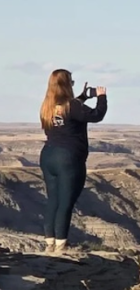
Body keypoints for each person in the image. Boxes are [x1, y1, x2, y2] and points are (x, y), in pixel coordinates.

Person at [39, 69, 107, 253]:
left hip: (48, 155)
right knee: (66, 202)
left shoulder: (47, 106)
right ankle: (61, 245)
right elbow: (96, 115)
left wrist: (83, 97)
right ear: (66, 84)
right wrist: (101, 97)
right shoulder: (73, 106)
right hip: (68, 157)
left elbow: (68, 112)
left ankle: (50, 243)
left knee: (53, 200)